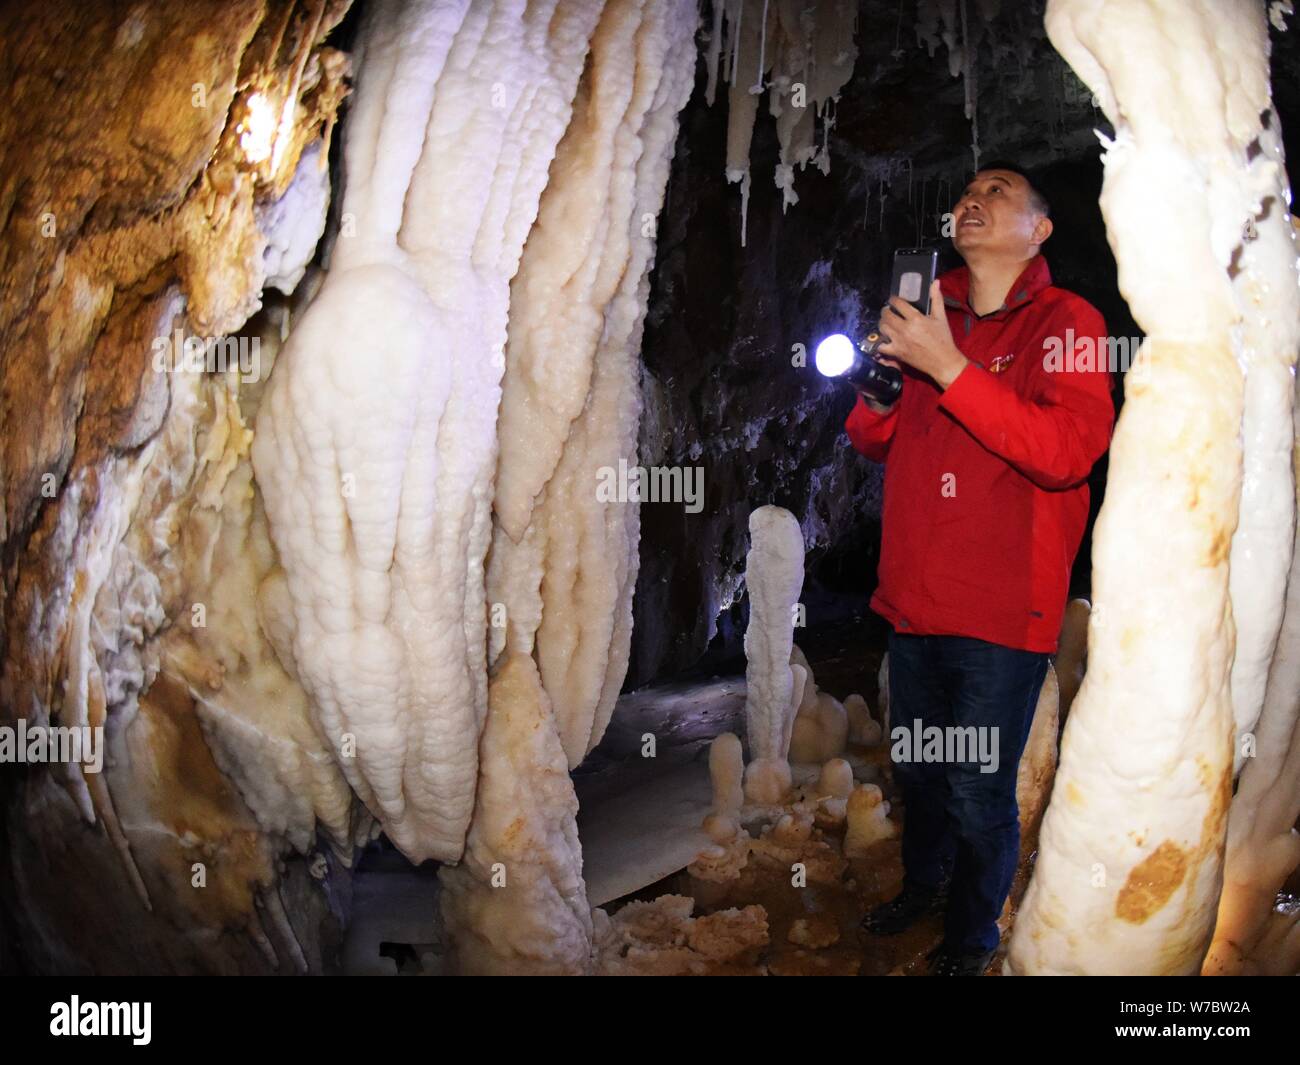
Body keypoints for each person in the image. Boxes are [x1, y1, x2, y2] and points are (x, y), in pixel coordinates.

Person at [846, 163, 1115, 976]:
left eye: (998, 190)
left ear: (1040, 228)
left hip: (1002, 610)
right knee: (920, 770)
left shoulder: (1068, 321)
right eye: (967, 190)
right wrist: (884, 392)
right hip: (914, 600)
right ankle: (924, 885)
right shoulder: (932, 310)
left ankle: (971, 938)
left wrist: (951, 367)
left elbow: (1066, 453)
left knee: (975, 789)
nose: (974, 198)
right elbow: (874, 439)